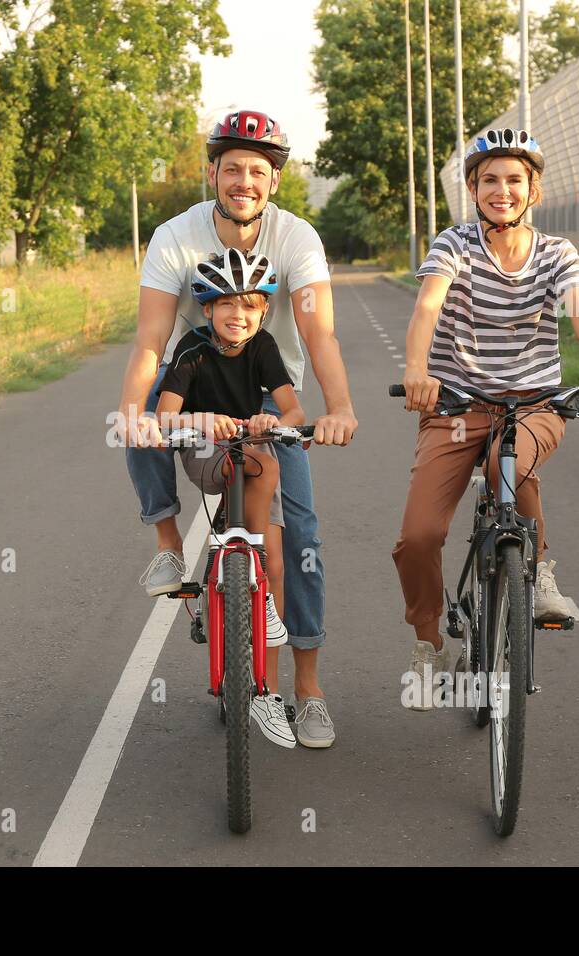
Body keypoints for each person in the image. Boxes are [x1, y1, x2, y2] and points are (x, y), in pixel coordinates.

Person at [116, 109, 358, 748]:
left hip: (269, 403)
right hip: (195, 398)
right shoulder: (175, 236)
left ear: (273, 180)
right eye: (232, 169)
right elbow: (149, 338)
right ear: (213, 174)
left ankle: (306, 689)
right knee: (138, 423)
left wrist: (340, 409)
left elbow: (317, 331)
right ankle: (170, 543)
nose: (244, 180)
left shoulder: (297, 239)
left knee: (300, 534)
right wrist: (133, 413)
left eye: (258, 170)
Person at [393, 127, 579, 710]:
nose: (502, 190)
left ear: (534, 191)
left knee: (511, 470)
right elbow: (428, 306)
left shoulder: (556, 253)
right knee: (418, 536)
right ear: (473, 189)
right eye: (489, 180)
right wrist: (419, 370)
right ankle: (429, 644)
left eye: (514, 180)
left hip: (532, 405)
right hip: (455, 407)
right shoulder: (454, 245)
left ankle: (539, 571)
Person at [155, 248, 304, 747]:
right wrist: (198, 420)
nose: (237, 315)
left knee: (278, 565)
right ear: (207, 309)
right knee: (257, 462)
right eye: (226, 305)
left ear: (263, 311)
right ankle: (249, 556)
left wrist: (271, 421)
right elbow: (164, 418)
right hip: (207, 451)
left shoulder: (263, 346)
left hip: (252, 446)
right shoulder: (192, 351)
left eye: (248, 306)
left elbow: (293, 411)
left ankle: (266, 663)